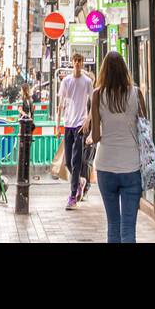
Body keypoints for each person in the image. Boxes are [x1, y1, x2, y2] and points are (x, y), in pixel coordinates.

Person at [90, 50, 146, 243]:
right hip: (132, 166)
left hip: (105, 166)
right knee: (128, 227)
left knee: (113, 223)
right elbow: (144, 131)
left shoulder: (97, 95)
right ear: (124, 70)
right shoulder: (136, 93)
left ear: (104, 70)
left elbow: (96, 136)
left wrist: (92, 136)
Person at [58, 53, 94, 210]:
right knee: (67, 162)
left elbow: (94, 102)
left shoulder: (87, 82)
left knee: (76, 161)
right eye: (76, 61)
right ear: (72, 63)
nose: (78, 63)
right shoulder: (66, 81)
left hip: (80, 125)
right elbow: (61, 103)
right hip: (68, 124)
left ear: (83, 63)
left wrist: (88, 120)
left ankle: (73, 197)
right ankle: (79, 181)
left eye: (80, 61)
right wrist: (57, 123)